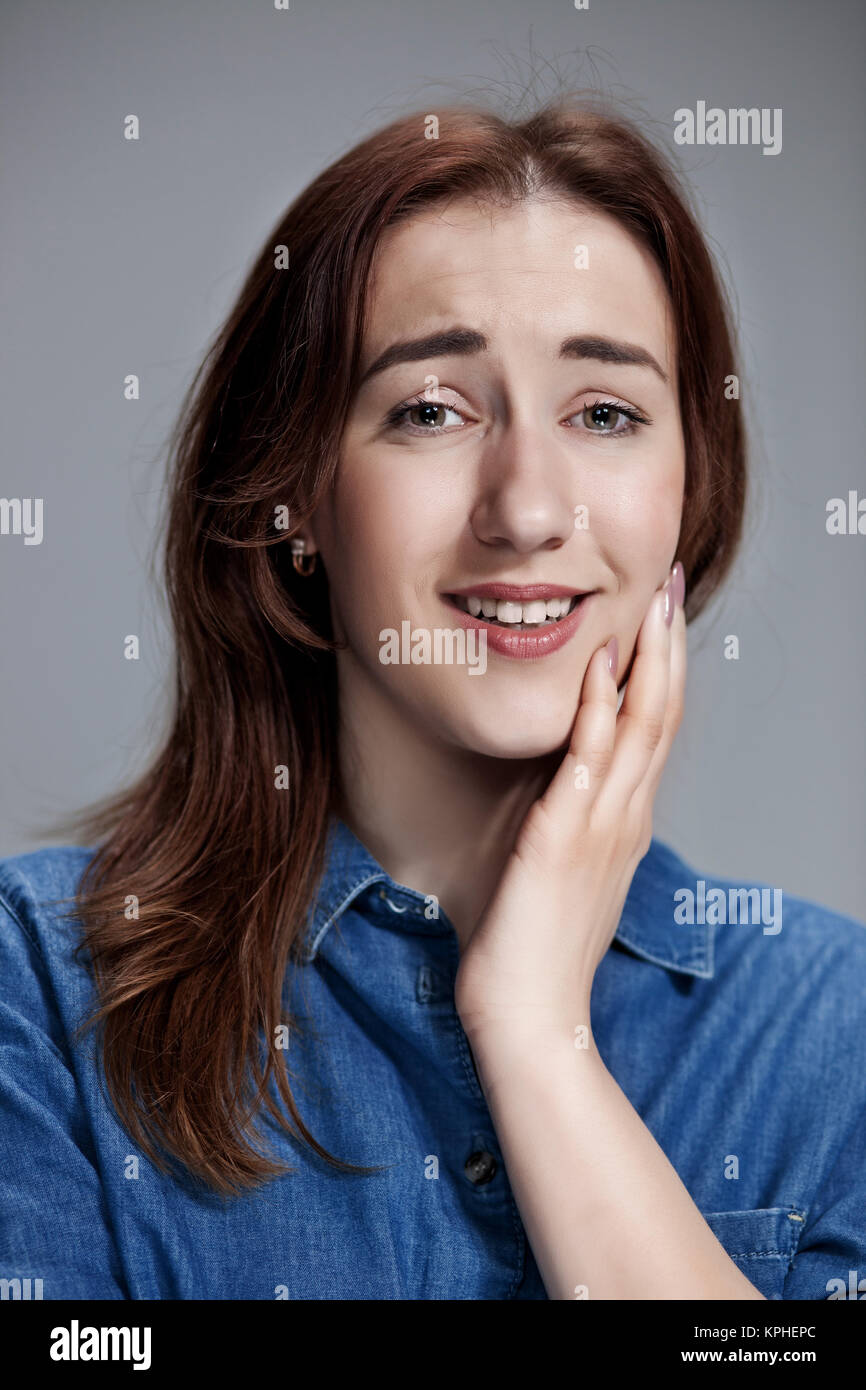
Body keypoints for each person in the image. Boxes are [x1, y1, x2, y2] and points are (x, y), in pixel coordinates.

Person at [1, 97, 864, 1302]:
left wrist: (533, 1035)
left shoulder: (836, 1030)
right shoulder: (39, 982)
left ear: (687, 494)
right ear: (294, 499)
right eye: (430, 411)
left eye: (603, 412)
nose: (523, 506)